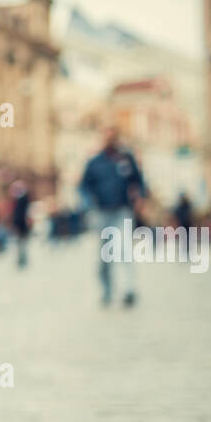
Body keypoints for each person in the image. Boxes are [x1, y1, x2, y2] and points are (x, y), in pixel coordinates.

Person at [78, 126, 146, 307]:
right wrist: (88, 203)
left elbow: (138, 181)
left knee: (124, 249)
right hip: (102, 212)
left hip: (122, 210)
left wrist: (139, 197)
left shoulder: (126, 159)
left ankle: (129, 289)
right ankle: (107, 290)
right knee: (105, 255)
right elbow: (83, 187)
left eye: (113, 137)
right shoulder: (94, 162)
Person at [10, 180, 31, 268]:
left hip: (22, 226)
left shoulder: (23, 200)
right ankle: (21, 260)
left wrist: (17, 224)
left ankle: (22, 261)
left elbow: (21, 215)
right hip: (20, 225)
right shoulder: (19, 200)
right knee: (20, 244)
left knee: (22, 244)